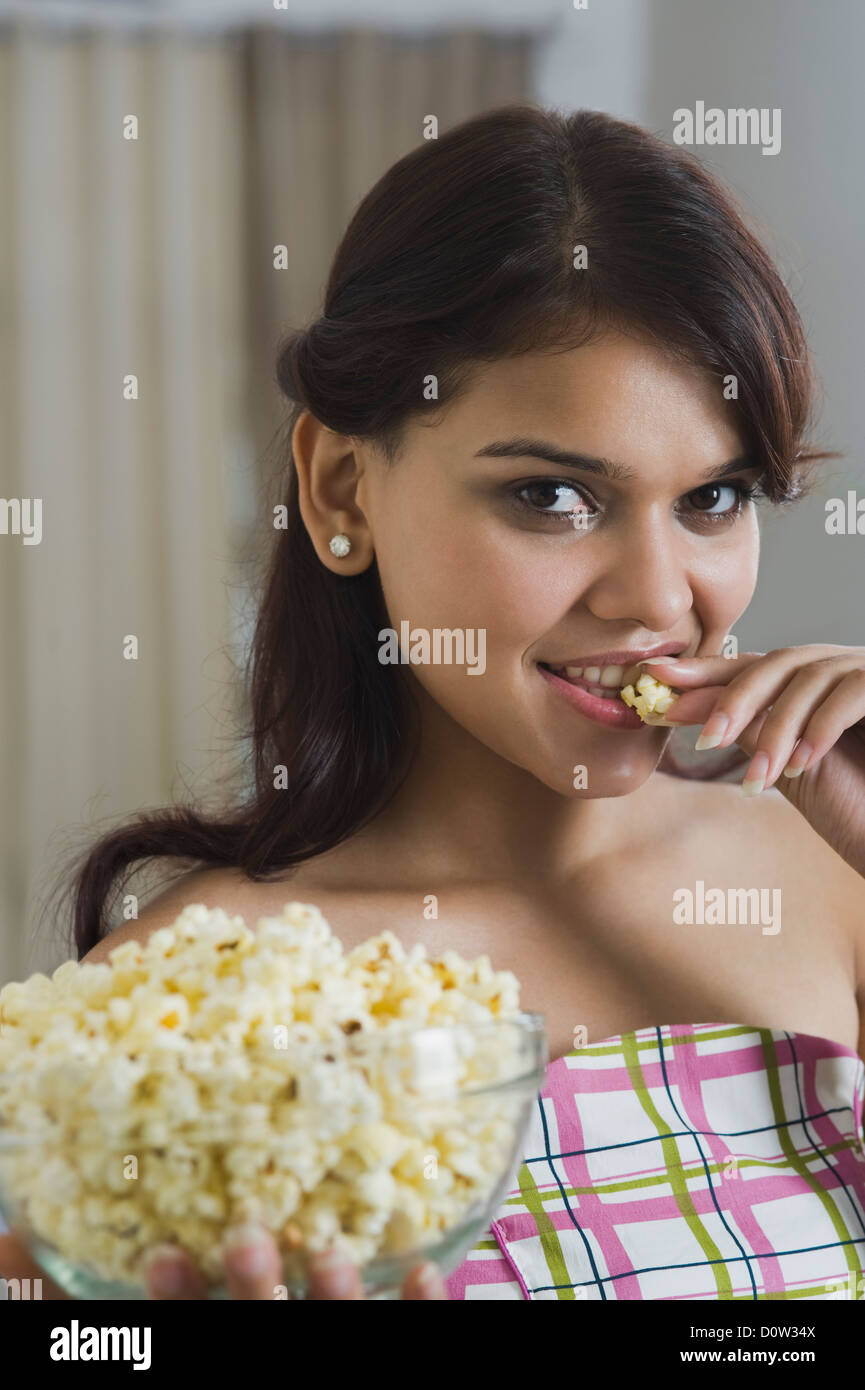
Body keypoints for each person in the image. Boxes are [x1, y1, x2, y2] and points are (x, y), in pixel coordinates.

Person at [3, 105, 863, 1301]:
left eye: (712, 499)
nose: (661, 598)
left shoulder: (830, 881)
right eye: (552, 496)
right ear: (340, 488)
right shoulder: (185, 1003)